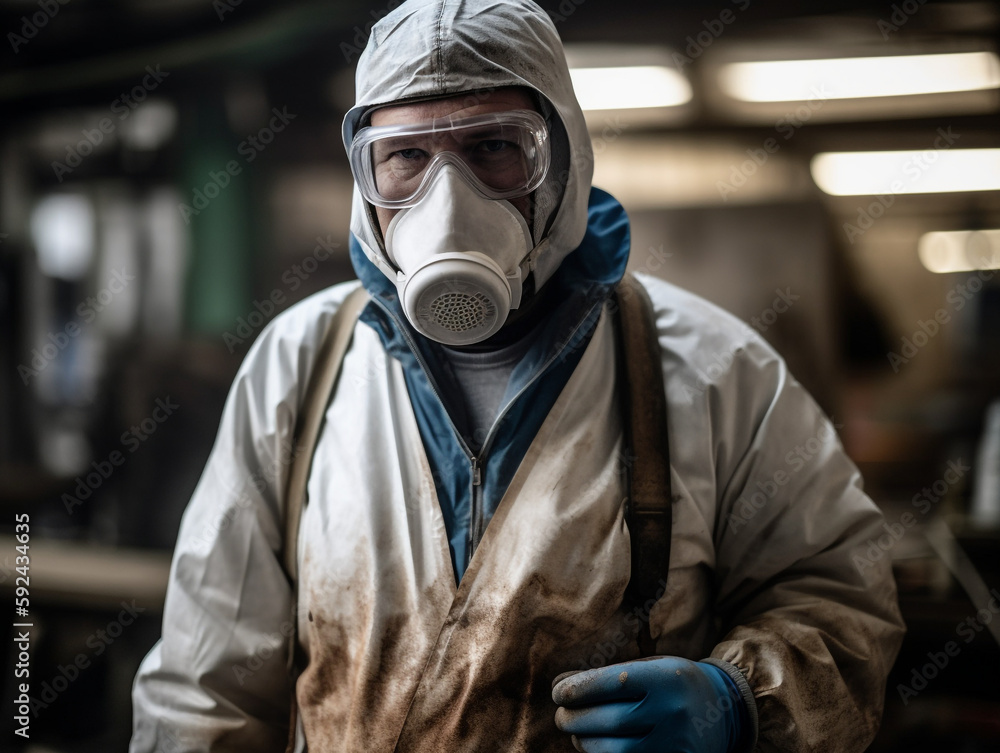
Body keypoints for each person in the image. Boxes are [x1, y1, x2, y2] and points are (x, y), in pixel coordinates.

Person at [130, 1, 905, 751]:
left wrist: (743, 702)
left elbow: (845, 608)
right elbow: (208, 683)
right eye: (404, 158)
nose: (448, 201)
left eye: (496, 148)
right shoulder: (298, 366)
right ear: (364, 178)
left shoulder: (718, 376)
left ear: (564, 156)